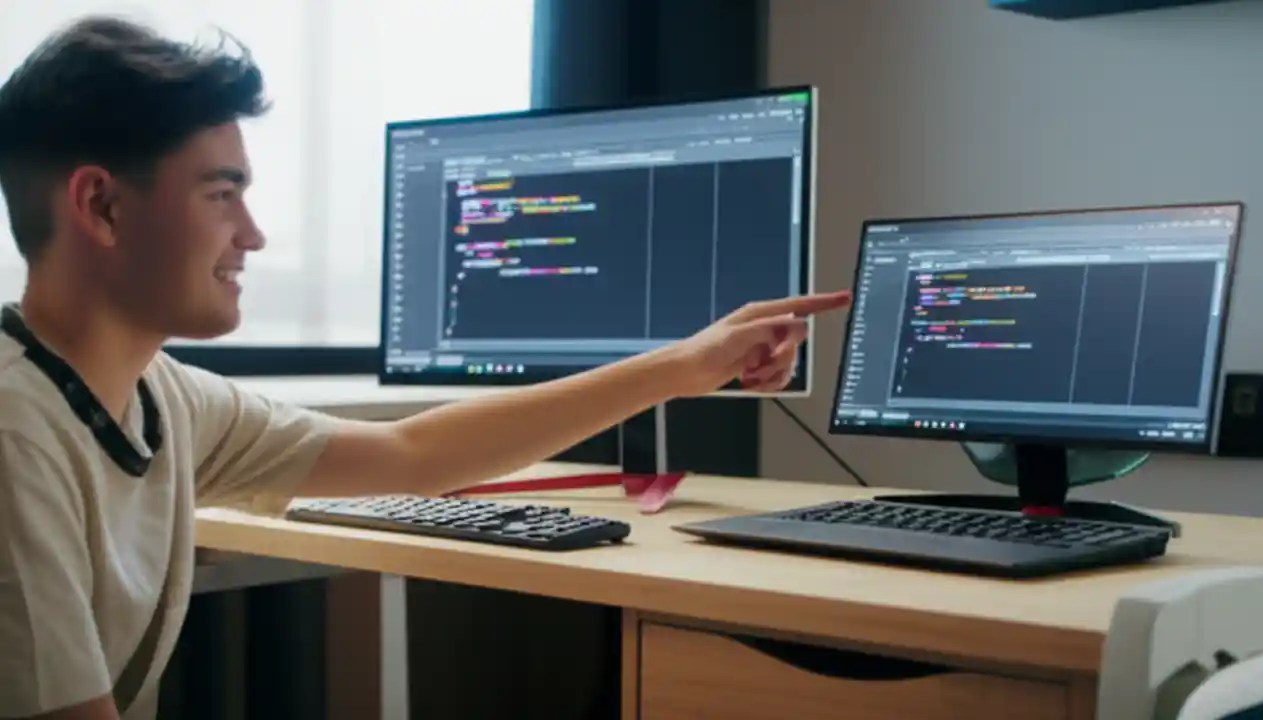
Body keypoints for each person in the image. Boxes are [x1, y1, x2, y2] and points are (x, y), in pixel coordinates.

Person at [0, 15, 849, 720]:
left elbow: (409, 454)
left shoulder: (158, 397)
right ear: (102, 207)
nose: (253, 235)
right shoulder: (14, 434)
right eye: (222, 195)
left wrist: (681, 366)